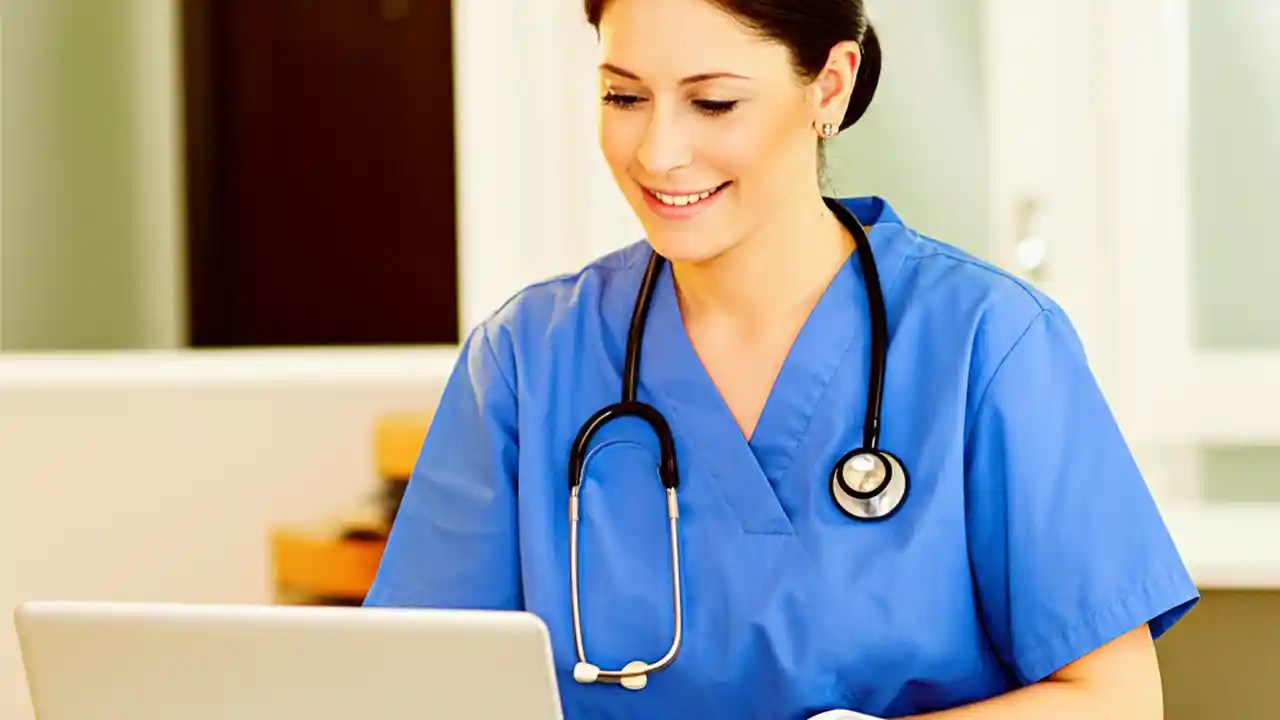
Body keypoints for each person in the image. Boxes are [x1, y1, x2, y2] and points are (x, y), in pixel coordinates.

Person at [364, 0, 1199, 717]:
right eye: (624, 95)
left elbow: (1114, 701)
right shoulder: (526, 363)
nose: (658, 153)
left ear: (829, 86)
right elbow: (416, 694)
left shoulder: (988, 344)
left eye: (715, 103)